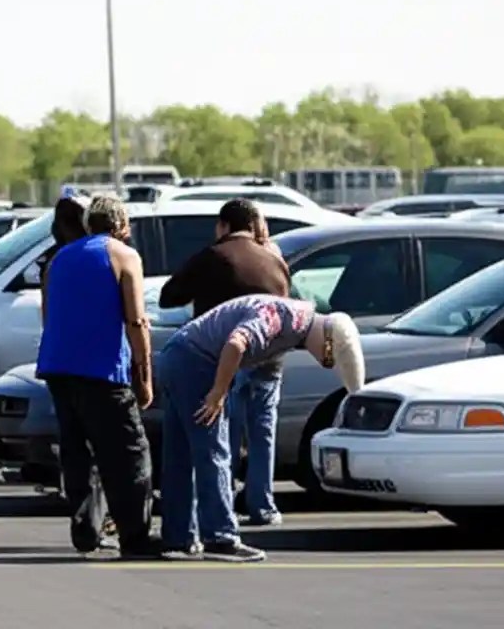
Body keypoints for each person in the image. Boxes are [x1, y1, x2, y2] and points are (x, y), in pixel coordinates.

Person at [157, 293, 365, 561]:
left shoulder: (294, 317)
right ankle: (220, 537)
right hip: (196, 363)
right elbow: (235, 344)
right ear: (325, 337)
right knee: (214, 453)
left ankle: (178, 537)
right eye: (328, 356)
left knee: (180, 454)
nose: (324, 362)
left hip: (178, 355)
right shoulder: (281, 319)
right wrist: (218, 393)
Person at [36, 193, 163, 559]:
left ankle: (86, 528)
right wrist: (144, 375)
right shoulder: (123, 256)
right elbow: (136, 321)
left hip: (59, 367)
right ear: (123, 226)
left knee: (79, 451)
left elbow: (49, 316)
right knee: (128, 453)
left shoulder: (58, 259)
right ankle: (135, 535)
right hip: (102, 370)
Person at [158, 198, 290, 526]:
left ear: (223, 226)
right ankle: (262, 505)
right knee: (262, 433)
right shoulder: (273, 258)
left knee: (222, 436)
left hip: (222, 359)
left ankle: (223, 504)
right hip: (268, 357)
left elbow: (168, 295)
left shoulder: (213, 256)